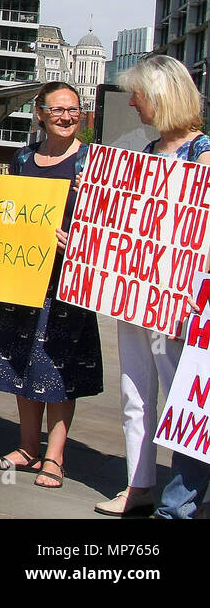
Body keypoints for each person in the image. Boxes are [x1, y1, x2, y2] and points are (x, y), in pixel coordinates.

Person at [97, 55, 210, 517]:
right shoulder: (145, 154)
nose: (134, 103)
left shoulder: (202, 154)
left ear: (161, 96)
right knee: (134, 392)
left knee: (186, 399)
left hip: (180, 301)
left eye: (139, 94)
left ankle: (184, 499)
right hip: (138, 292)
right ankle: (139, 484)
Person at [0, 81, 101, 489]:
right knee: (20, 360)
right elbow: (12, 215)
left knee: (58, 366)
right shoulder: (22, 159)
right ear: (40, 114)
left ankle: (55, 456)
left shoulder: (94, 163)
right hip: (23, 277)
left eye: (74, 109)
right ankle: (28, 447)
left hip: (66, 282)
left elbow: (115, 225)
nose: (67, 117)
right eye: (57, 110)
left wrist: (82, 235)